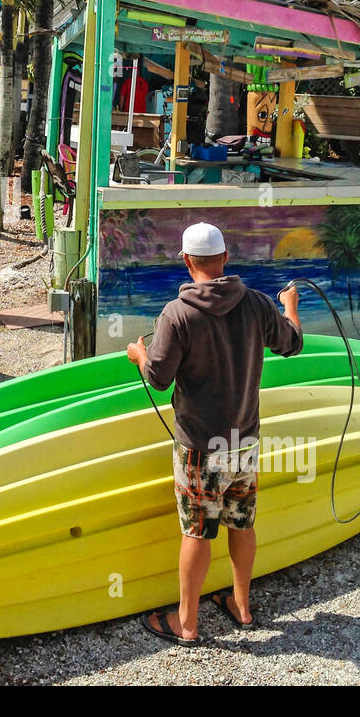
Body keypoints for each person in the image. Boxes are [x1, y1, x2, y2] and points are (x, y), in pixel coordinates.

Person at [127, 222, 303, 645]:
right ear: (225, 258)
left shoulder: (177, 314)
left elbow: (159, 378)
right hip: (244, 441)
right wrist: (291, 305)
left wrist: (138, 354)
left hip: (199, 449)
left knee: (196, 531)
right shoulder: (258, 304)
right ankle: (242, 607)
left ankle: (187, 625)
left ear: (187, 262)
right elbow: (292, 343)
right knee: (241, 523)